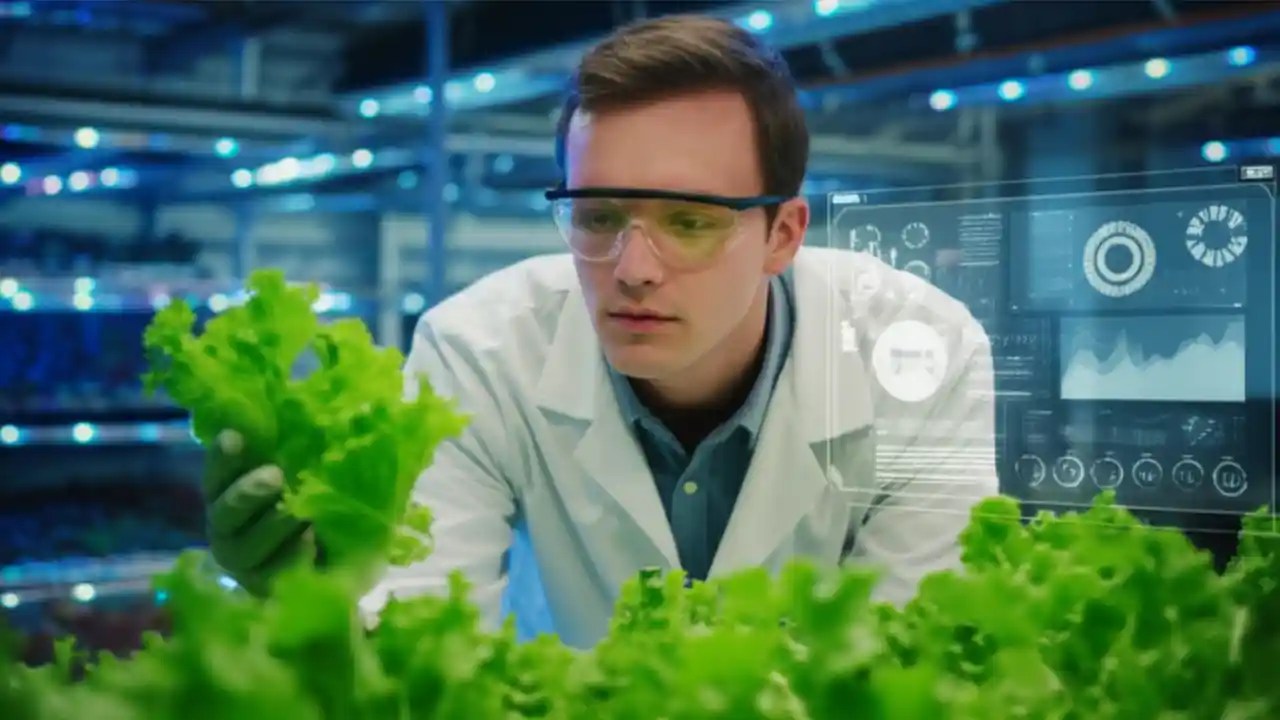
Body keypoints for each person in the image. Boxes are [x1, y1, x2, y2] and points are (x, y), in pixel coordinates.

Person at [203, 14, 999, 649]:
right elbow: (418, 637)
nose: (634, 267)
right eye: (598, 217)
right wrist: (317, 604)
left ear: (784, 235)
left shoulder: (923, 353)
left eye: (690, 221)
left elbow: (913, 655)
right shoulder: (479, 351)